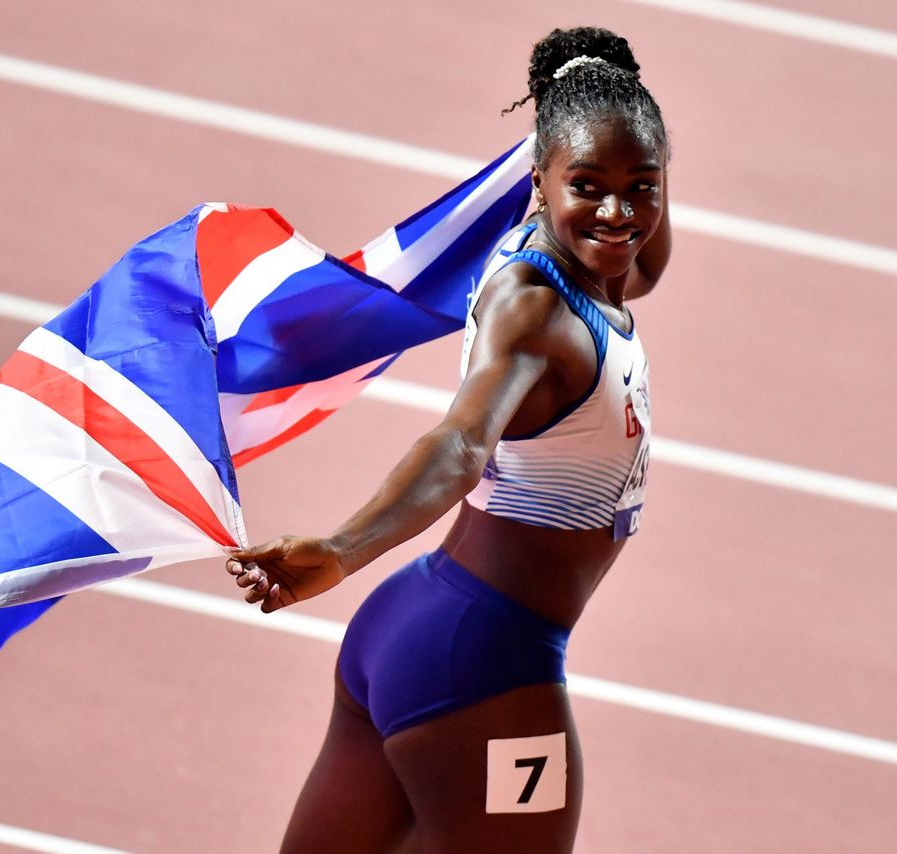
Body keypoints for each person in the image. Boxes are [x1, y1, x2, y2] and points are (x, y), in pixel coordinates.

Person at [226, 27, 671, 854]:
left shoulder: (591, 260)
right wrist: (341, 546)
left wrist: (615, 110)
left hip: (416, 633)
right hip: (487, 669)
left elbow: (641, 251)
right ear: (538, 178)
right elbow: (461, 447)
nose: (620, 214)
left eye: (642, 187)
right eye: (589, 186)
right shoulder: (538, 314)